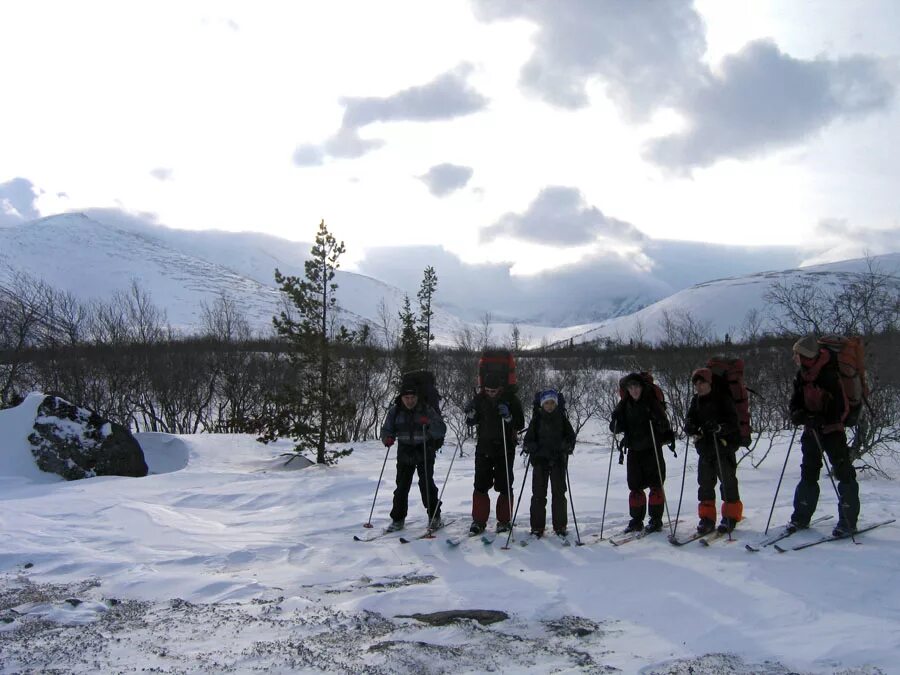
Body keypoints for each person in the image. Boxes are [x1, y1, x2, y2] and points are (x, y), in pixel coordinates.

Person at [788, 335, 860, 537]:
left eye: (797, 354)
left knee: (843, 472)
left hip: (832, 432)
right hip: (811, 432)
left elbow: (840, 407)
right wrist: (799, 415)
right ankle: (800, 517)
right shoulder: (802, 375)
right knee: (808, 472)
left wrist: (820, 418)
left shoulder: (830, 374)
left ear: (805, 356)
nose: (795, 358)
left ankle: (848, 521)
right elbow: (795, 403)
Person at [609, 373, 675, 533]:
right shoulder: (624, 405)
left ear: (641, 387)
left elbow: (664, 424)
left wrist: (658, 422)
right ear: (627, 390)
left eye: (636, 387)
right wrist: (616, 424)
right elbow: (616, 427)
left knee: (655, 484)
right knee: (635, 486)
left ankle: (656, 520)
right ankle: (636, 520)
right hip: (634, 449)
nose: (634, 390)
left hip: (652, 447)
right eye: (631, 388)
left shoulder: (651, 403)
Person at [380, 382, 447, 532]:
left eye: (412, 397)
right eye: (406, 397)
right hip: (404, 450)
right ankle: (398, 519)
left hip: (424, 448)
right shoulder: (395, 411)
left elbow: (441, 429)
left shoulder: (426, 410)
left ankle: (435, 516)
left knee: (426, 484)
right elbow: (386, 430)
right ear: (401, 398)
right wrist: (388, 438)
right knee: (401, 486)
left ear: (417, 397)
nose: (409, 401)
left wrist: (429, 424)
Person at [464, 372, 525, 535]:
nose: (491, 393)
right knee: (480, 484)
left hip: (505, 447)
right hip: (484, 447)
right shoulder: (479, 399)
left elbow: (520, 423)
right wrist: (470, 415)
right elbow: (471, 420)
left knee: (505, 484)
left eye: (494, 391)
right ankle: (478, 521)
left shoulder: (511, 399)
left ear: (500, 388)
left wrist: (509, 416)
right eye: (488, 390)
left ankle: (504, 521)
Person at [684, 368, 743, 535]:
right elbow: (690, 419)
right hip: (705, 448)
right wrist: (690, 426)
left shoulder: (723, 398)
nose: (699, 386)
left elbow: (733, 422)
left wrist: (719, 428)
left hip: (723, 447)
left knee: (728, 482)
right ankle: (707, 518)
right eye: (696, 383)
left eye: (702, 382)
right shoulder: (696, 401)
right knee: (705, 484)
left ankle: (730, 516)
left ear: (710, 383)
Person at [522, 389, 576, 538]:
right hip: (540, 461)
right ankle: (537, 527)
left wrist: (568, 446)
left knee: (559, 494)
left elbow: (571, 437)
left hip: (558, 460)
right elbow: (527, 440)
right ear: (542, 404)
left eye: (552, 403)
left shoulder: (562, 418)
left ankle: (560, 526)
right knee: (538, 494)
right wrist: (530, 447)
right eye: (547, 403)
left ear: (556, 404)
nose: (550, 406)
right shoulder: (537, 419)